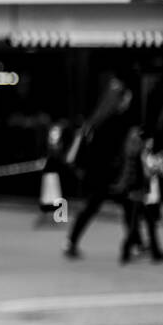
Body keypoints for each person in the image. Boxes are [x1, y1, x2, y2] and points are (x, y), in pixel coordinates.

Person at [64, 78, 134, 259]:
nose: (128, 102)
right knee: (120, 205)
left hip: (98, 173)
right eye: (126, 99)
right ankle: (135, 243)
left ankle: (135, 242)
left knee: (122, 205)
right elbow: (110, 151)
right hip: (106, 174)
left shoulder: (100, 118)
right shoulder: (113, 122)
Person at [117, 127, 163, 264]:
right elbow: (145, 173)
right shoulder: (139, 154)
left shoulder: (134, 151)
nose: (151, 143)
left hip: (138, 193)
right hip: (138, 193)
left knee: (144, 224)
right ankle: (131, 251)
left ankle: (152, 252)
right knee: (140, 224)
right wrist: (156, 167)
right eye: (149, 140)